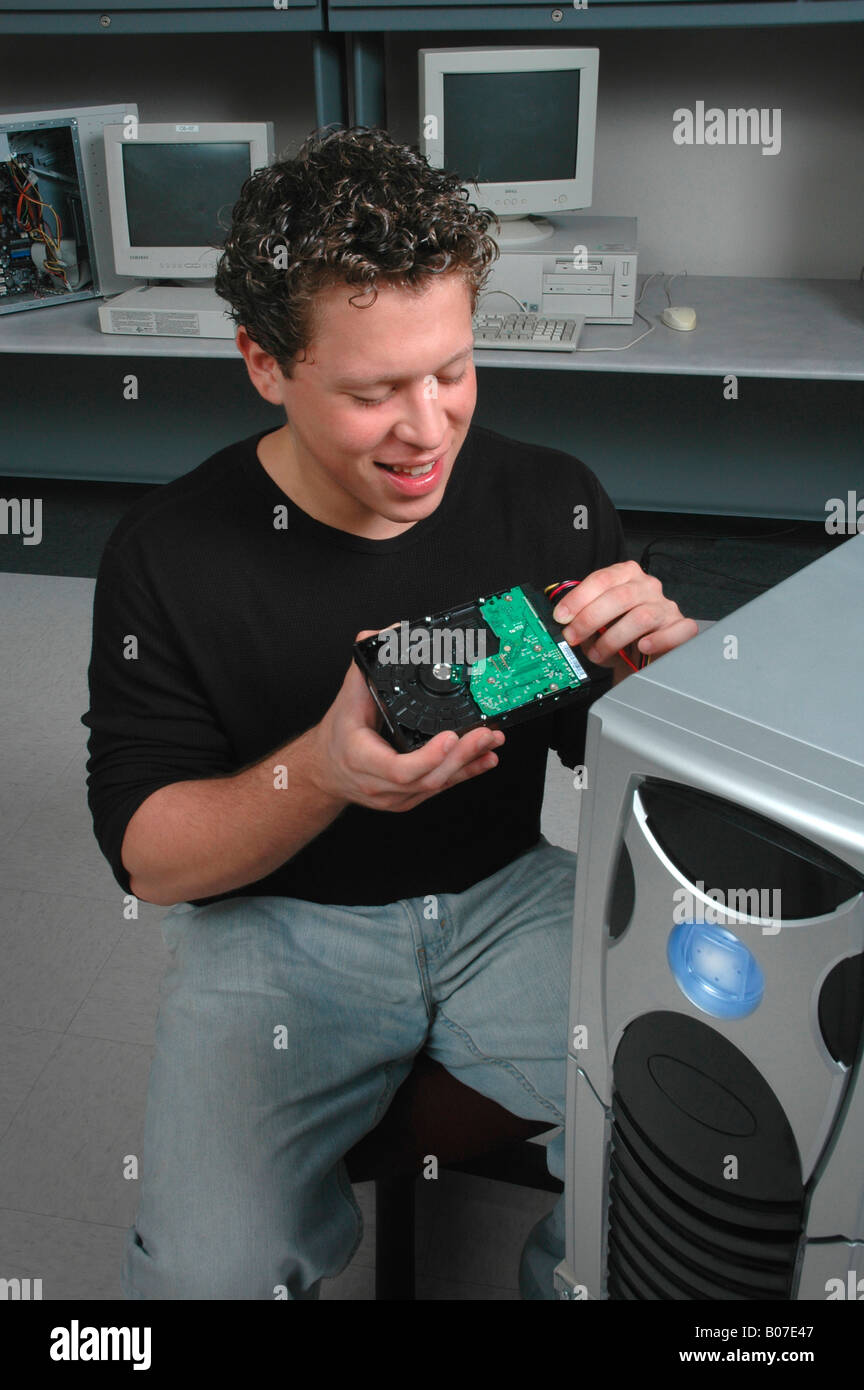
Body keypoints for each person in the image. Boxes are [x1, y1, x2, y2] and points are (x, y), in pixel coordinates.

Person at [82, 125, 698, 1301]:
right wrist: (319, 770)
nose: (428, 430)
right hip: (272, 928)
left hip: (511, 895)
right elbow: (152, 859)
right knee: (210, 1277)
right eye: (373, 391)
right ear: (266, 362)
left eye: (454, 370)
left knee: (707, 1137)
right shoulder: (165, 556)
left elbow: (613, 764)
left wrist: (663, 680)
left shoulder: (549, 499)